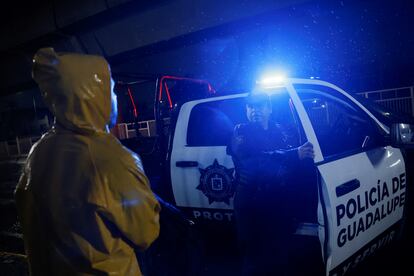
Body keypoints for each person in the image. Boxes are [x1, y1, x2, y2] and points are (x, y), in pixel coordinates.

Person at [15, 48, 160, 275]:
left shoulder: (39, 152)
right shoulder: (111, 158)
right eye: (110, 90)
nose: (114, 98)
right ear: (93, 94)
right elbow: (145, 232)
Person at [227, 92, 315, 276]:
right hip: (252, 206)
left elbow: (288, 155)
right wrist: (295, 154)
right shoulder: (240, 131)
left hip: (277, 204)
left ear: (269, 108)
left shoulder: (279, 129)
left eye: (259, 106)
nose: (254, 110)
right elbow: (257, 161)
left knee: (280, 254)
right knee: (254, 260)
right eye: (250, 107)